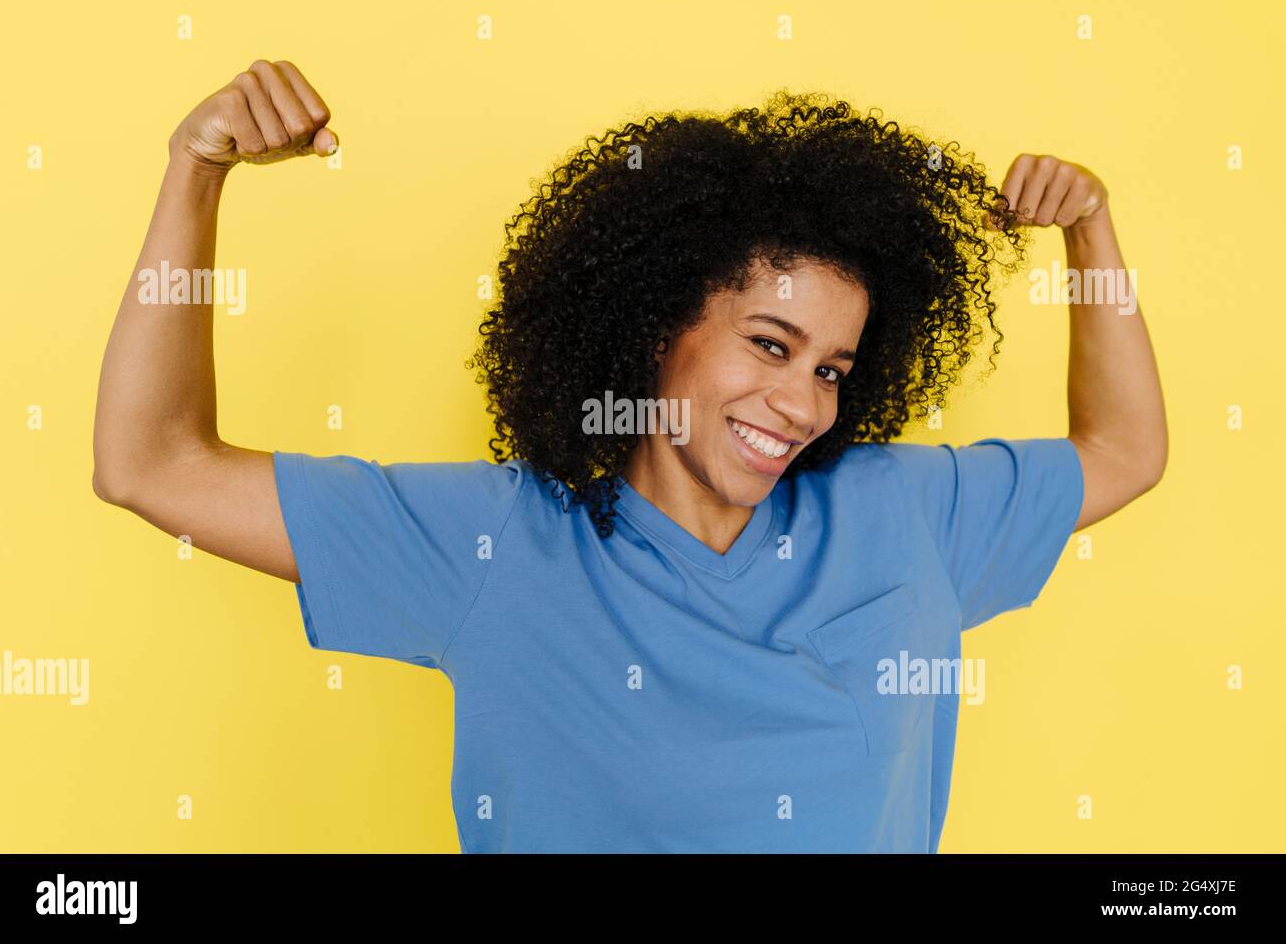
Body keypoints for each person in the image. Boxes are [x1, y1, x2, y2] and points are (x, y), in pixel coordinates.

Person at [92, 60, 1167, 852]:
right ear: (657, 325)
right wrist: (197, 170)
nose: (801, 405)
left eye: (833, 370)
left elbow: (1124, 449)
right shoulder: (493, 544)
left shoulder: (908, 512)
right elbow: (150, 463)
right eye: (769, 345)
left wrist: (1091, 232)